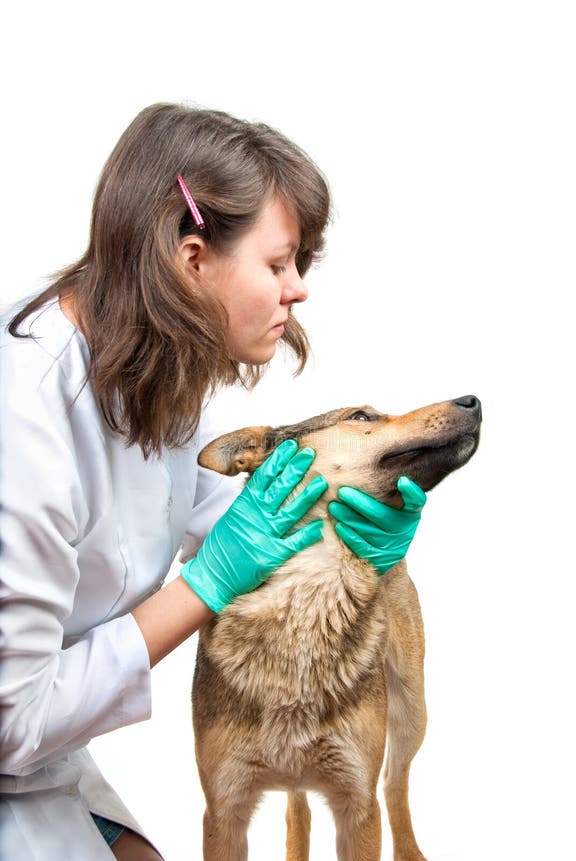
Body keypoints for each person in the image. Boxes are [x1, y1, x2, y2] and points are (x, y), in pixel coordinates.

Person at [0, 102, 426, 860]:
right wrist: (206, 585)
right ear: (192, 258)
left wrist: (354, 533)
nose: (297, 290)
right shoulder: (24, 417)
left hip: (42, 758)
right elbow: (12, 723)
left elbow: (237, 516)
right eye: (278, 263)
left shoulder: (150, 376)